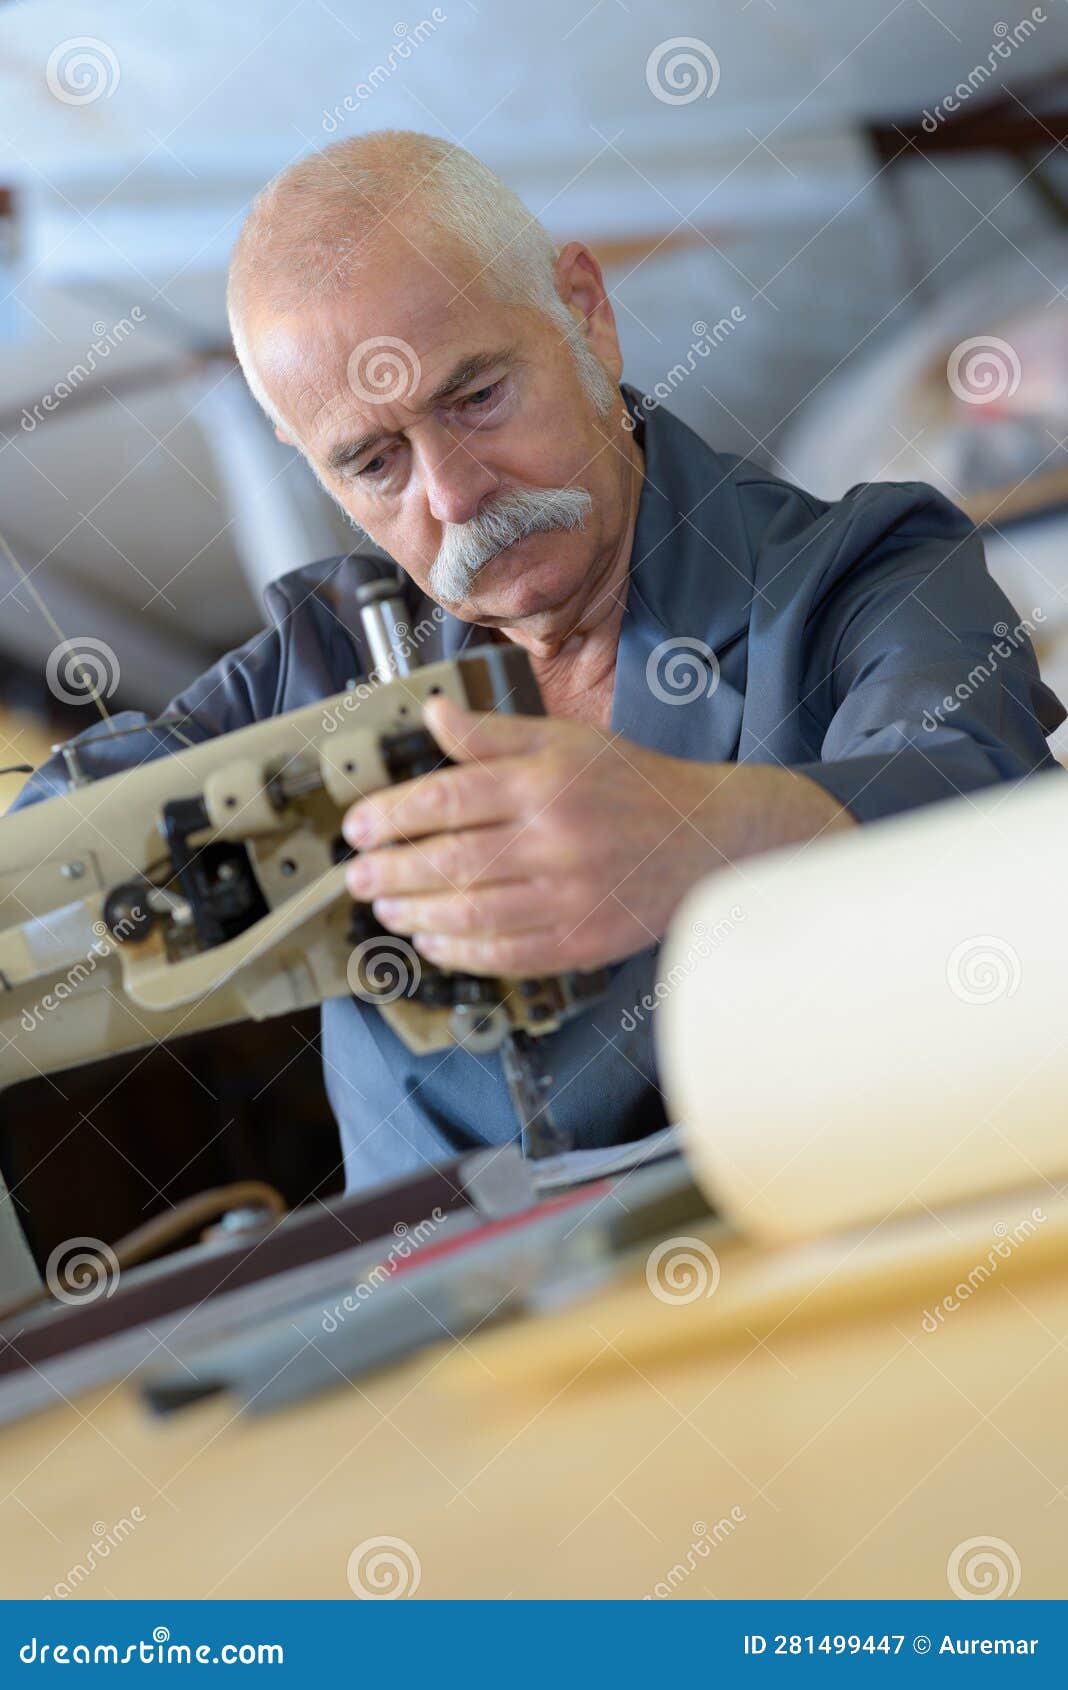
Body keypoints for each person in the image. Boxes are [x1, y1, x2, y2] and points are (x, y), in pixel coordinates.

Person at [11, 130, 1064, 1190]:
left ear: (586, 314)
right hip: (467, 1341)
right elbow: (48, 861)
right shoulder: (319, 669)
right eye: (375, 462)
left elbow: (990, 808)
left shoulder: (869, 572)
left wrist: (709, 833)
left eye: (476, 399)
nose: (455, 495)